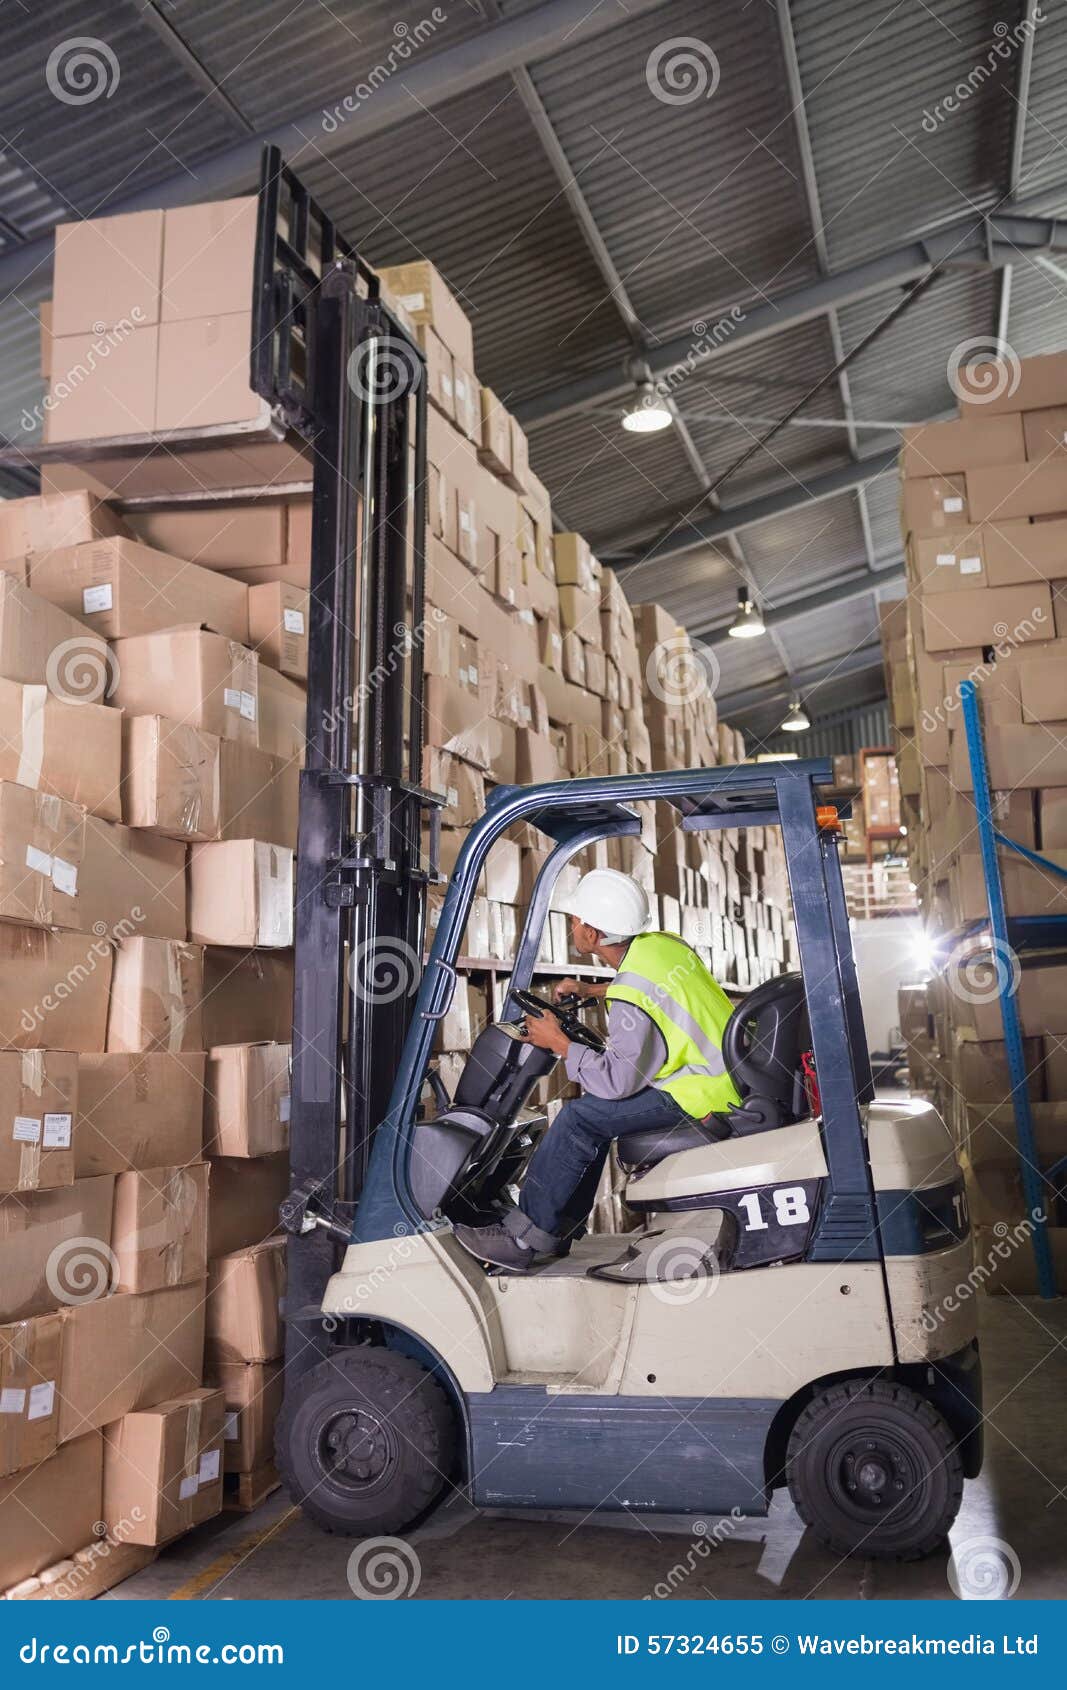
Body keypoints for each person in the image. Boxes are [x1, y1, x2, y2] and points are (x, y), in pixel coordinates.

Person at [453, 867, 740, 1272]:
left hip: (703, 1093)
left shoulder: (630, 997)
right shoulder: (663, 945)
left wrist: (559, 1043)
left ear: (591, 933)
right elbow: (652, 986)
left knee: (580, 1118)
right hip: (726, 1075)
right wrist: (592, 990)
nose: (572, 926)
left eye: (575, 920)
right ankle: (557, 1230)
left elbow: (616, 1082)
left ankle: (523, 1239)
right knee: (594, 1118)